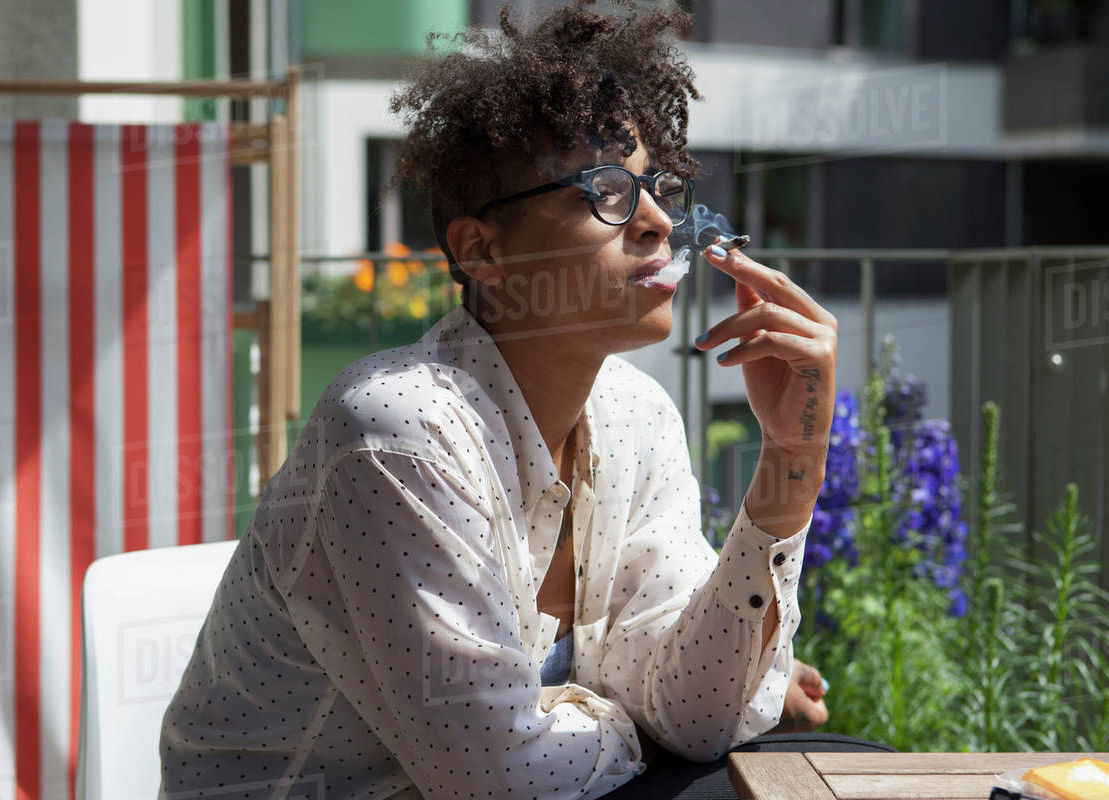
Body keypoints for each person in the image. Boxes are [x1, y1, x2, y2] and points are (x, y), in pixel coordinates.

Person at [158, 1, 839, 798]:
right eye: (608, 193)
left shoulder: (635, 416)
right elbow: (505, 780)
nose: (659, 223)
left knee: (830, 773)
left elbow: (691, 715)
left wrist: (791, 467)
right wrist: (628, 717)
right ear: (483, 251)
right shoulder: (398, 434)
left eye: (656, 187)